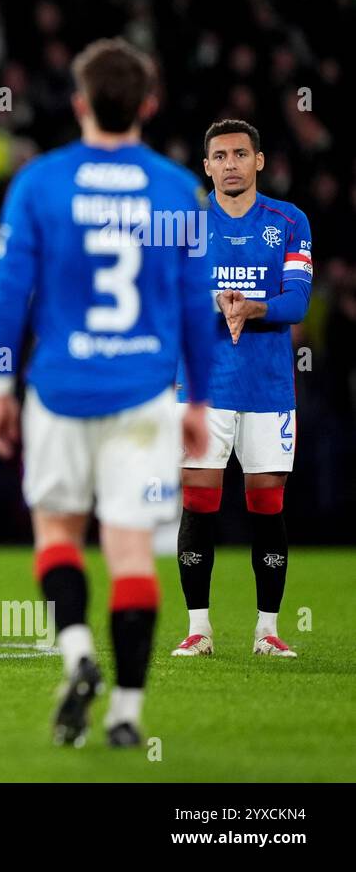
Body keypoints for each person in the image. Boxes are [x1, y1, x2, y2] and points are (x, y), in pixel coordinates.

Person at [0, 39, 212, 747]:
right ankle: (127, 714)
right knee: (132, 550)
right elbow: (197, 305)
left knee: (57, 534)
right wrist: (197, 399)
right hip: (144, 394)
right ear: (148, 104)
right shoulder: (178, 189)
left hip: (59, 388)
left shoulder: (42, 182)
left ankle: (79, 652)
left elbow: (9, 293)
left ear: (79, 101)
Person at [172, 119, 313, 659]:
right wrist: (217, 304)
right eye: (219, 156)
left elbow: (297, 302)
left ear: (259, 161)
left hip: (269, 385)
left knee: (266, 504)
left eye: (239, 154)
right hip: (203, 386)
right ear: (206, 166)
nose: (230, 163)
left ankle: (268, 630)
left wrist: (252, 308)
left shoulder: (290, 220)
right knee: (200, 499)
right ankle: (198, 629)